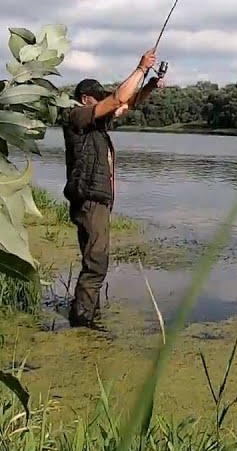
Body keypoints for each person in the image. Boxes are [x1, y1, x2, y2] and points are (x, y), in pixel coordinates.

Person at [62, 48, 166, 329]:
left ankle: (88, 314)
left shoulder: (95, 123)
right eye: (99, 98)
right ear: (86, 99)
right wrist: (141, 68)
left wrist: (149, 87)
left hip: (95, 199)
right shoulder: (78, 117)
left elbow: (126, 104)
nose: (105, 103)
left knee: (93, 259)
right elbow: (118, 99)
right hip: (90, 200)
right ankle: (82, 320)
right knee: (97, 261)